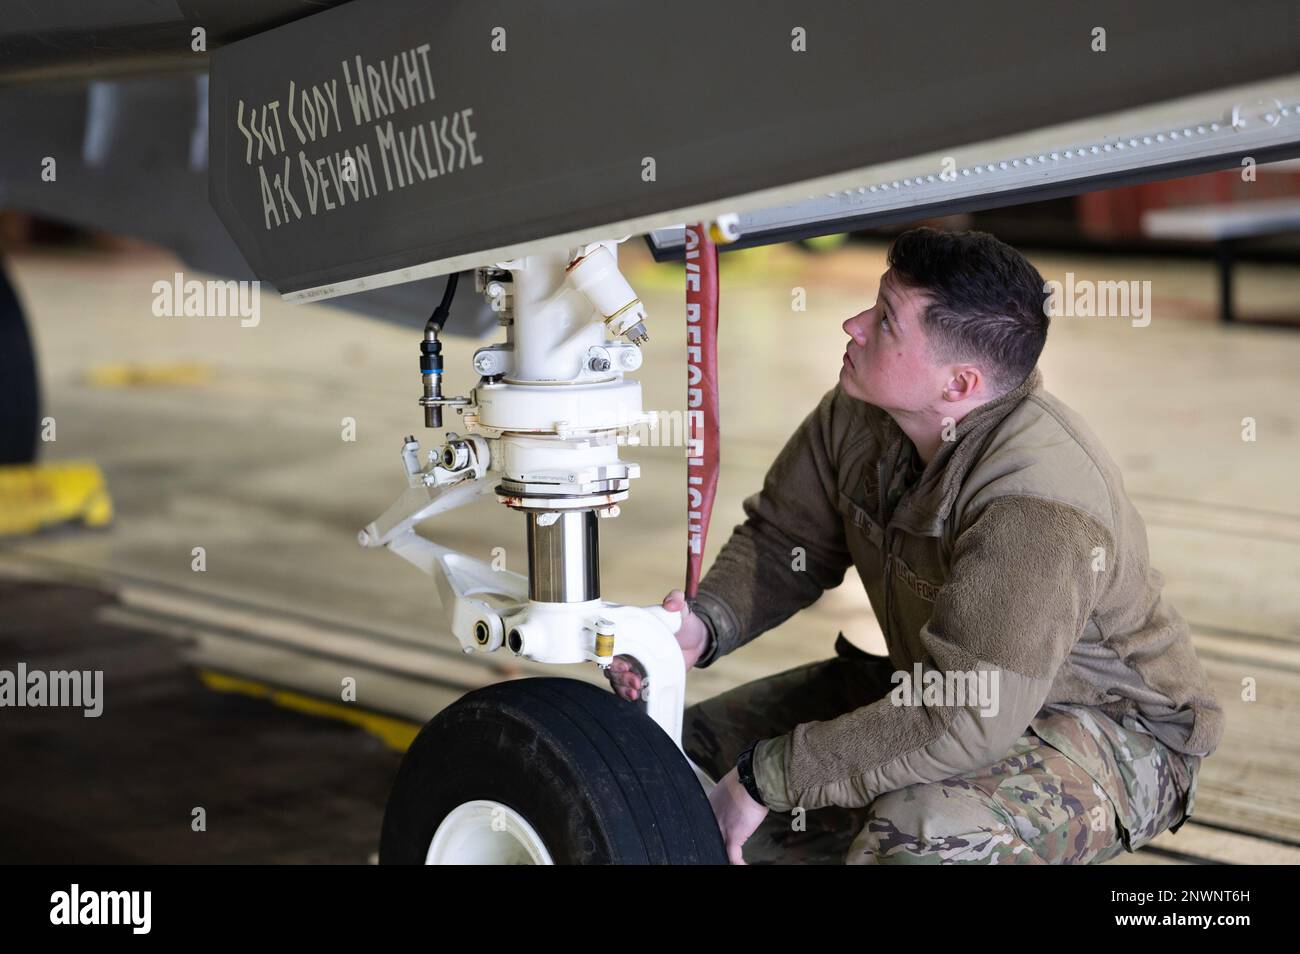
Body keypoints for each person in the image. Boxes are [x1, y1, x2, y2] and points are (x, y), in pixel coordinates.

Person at [606, 226, 1223, 864]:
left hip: (1108, 732)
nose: (853, 325)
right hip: (941, 688)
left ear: (958, 386)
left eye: (885, 321)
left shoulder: (1037, 505)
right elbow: (787, 540)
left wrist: (769, 778)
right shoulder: (863, 415)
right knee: (671, 759)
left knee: (917, 836)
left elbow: (962, 719)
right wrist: (706, 626)